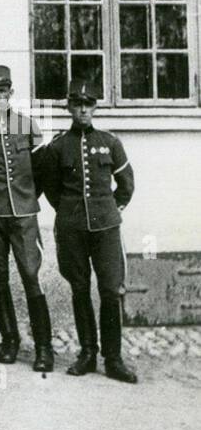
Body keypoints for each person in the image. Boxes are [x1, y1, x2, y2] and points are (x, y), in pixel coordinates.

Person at [38, 80, 137, 383]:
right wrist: (71, 213)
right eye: (77, 104)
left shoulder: (110, 142)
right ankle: (88, 353)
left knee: (110, 290)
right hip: (72, 229)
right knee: (79, 288)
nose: (83, 109)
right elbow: (53, 191)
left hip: (106, 229)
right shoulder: (58, 147)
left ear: (95, 106)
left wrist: (110, 210)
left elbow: (126, 185)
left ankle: (114, 358)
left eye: (88, 104)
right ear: (69, 106)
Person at [0, 64, 54, 372]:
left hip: (24, 216)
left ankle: (44, 348)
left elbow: (42, 170)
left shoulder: (28, 126)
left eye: (4, 91)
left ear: (11, 93)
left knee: (31, 276)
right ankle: (10, 341)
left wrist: (28, 197)